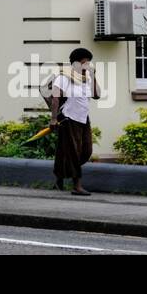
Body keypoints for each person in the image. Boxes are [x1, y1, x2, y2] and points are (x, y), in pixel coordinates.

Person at [51, 47, 99, 196]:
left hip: (84, 119)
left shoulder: (87, 79)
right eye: (85, 63)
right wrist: (53, 119)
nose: (87, 66)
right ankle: (76, 186)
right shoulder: (64, 77)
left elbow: (97, 95)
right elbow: (55, 98)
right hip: (69, 118)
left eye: (88, 63)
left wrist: (94, 75)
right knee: (73, 152)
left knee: (86, 151)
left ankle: (59, 176)